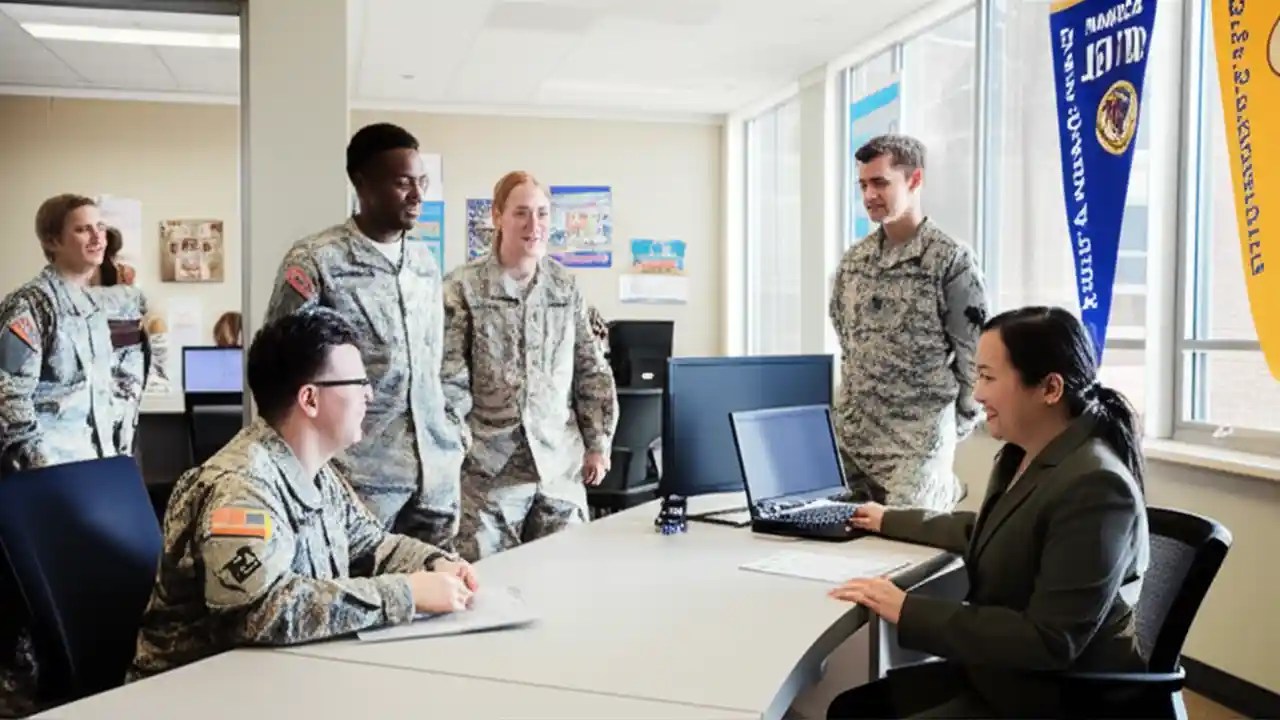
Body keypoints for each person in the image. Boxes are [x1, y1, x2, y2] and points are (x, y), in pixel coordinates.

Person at [826, 306, 1149, 719]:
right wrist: (886, 518)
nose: (977, 394)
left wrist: (907, 609)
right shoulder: (1027, 453)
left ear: (1050, 388)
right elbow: (994, 531)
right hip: (1004, 676)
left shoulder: (1097, 487)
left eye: (988, 377)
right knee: (851, 709)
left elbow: (1048, 640)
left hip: (1054, 697)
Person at [128, 308, 479, 681]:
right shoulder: (240, 487)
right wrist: (405, 593)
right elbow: (259, 611)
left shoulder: (317, 473)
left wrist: (435, 563)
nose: (370, 395)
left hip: (280, 678)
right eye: (358, 383)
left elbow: (373, 547)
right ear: (310, 399)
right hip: (192, 694)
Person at [264, 122, 468, 549]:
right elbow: (281, 374)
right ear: (361, 183)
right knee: (363, 602)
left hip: (436, 476)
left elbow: (443, 357)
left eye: (421, 182)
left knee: (440, 601)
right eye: (402, 183)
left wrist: (455, 427)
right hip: (360, 481)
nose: (417, 196)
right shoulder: (318, 261)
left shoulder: (425, 262)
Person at [444, 170, 618, 561]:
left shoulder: (564, 287)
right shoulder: (462, 288)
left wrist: (598, 443)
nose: (533, 225)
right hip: (489, 473)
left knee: (565, 588)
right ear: (497, 217)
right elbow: (449, 385)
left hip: (558, 470)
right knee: (489, 590)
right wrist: (452, 456)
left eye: (541, 213)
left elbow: (590, 370)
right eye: (521, 213)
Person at [0, 194, 123, 718]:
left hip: (90, 473)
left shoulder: (96, 305)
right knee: (34, 608)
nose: (96, 237)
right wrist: (42, 476)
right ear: (52, 241)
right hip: (45, 481)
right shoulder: (29, 304)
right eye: (81, 230)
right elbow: (8, 395)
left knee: (81, 598)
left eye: (99, 227)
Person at [829, 133, 989, 510]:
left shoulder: (950, 261)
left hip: (916, 449)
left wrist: (948, 430)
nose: (869, 195)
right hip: (852, 443)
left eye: (881, 183)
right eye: (864, 185)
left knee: (906, 551)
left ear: (914, 180)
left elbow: (975, 359)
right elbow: (847, 341)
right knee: (838, 548)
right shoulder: (854, 262)